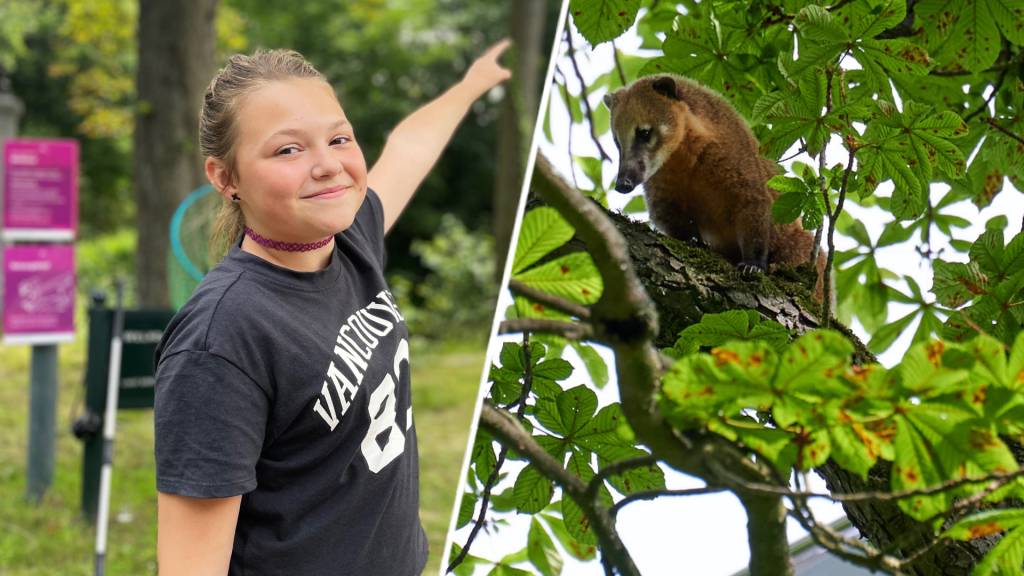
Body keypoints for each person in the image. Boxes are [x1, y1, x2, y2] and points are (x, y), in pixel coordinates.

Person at [153, 41, 511, 576]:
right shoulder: (222, 337)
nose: (328, 166)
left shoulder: (349, 239)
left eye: (339, 138)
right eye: (288, 150)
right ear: (225, 178)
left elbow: (410, 146)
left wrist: (473, 83)